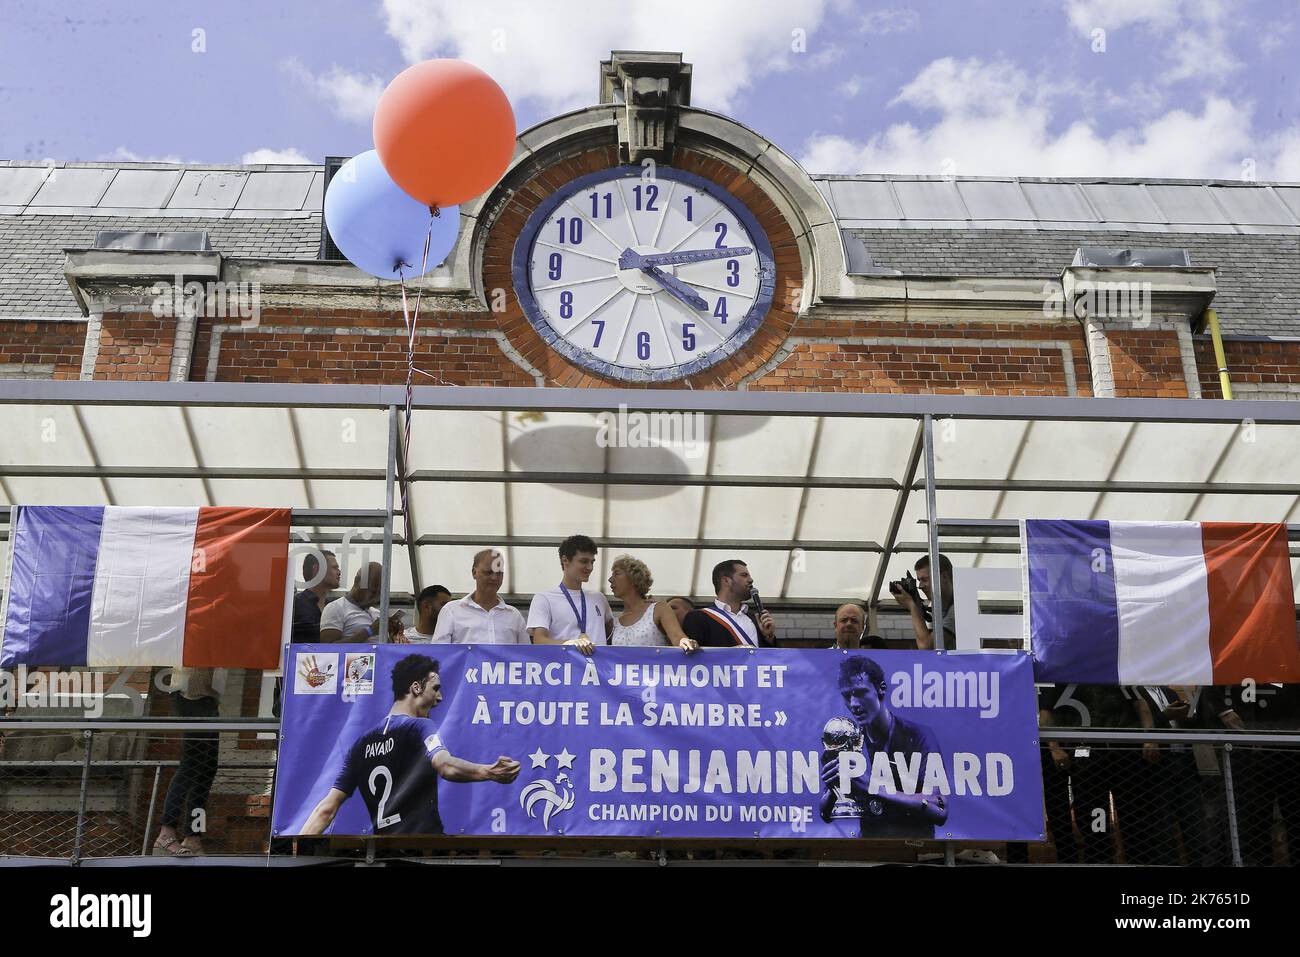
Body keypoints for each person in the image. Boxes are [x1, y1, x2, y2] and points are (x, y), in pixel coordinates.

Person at [300, 654, 520, 835]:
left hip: (382, 851)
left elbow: (326, 810)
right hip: (423, 848)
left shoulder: (360, 744)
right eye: (435, 688)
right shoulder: (420, 727)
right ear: (416, 687)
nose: (440, 697)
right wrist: (488, 771)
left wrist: (296, 852)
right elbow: (446, 765)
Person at [818, 655, 947, 837]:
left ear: (881, 689)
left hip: (915, 850)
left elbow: (939, 809)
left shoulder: (918, 735)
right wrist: (833, 788)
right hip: (870, 851)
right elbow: (826, 814)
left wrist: (872, 786)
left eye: (861, 693)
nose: (854, 704)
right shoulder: (851, 738)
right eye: (847, 695)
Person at [153, 667, 223, 856]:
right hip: (190, 694)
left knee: (207, 769)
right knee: (190, 766)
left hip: (208, 696)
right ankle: (166, 834)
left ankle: (193, 836)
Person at [527, 534, 613, 657]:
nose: (590, 567)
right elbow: (539, 641)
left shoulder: (599, 598)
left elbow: (614, 630)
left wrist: (646, 602)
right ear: (565, 560)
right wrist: (569, 644)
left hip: (599, 673)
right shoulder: (544, 598)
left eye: (592, 562)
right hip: (563, 672)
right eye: (584, 561)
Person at [432, 549, 528, 644]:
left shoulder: (514, 616)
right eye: (488, 572)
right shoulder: (451, 611)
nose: (494, 578)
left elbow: (526, 655)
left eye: (499, 573)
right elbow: (439, 654)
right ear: (474, 573)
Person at [605, 556, 698, 652]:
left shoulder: (659, 609)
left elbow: (677, 637)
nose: (610, 579)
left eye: (617, 573)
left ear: (634, 578)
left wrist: (685, 641)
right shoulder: (615, 622)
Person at [682, 559, 777, 648]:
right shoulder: (698, 618)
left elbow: (772, 661)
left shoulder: (756, 620)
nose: (751, 580)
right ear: (726, 581)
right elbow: (693, 658)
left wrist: (769, 637)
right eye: (744, 575)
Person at [319, 562, 404, 642]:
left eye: (379, 593)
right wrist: (369, 631)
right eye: (372, 592)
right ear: (357, 582)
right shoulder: (336, 608)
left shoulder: (376, 613)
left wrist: (393, 634)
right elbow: (327, 650)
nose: (375, 598)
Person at [893, 554, 955, 650]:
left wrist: (912, 606)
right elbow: (926, 639)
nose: (920, 586)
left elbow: (926, 647)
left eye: (925, 579)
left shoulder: (959, 607)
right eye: (919, 580)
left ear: (945, 577)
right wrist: (916, 603)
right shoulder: (935, 606)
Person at [291, 550, 340, 644]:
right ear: (317, 569)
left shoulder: (335, 605)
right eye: (334, 568)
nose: (339, 572)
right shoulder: (294, 605)